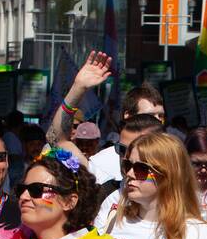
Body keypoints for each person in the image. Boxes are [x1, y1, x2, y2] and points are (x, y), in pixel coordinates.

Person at [92, 132, 207, 239]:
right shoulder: (114, 217)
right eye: (128, 165)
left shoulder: (201, 235)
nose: (129, 174)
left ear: (168, 175)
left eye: (141, 169)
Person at [45, 50, 165, 187]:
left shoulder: (176, 159)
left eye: (161, 116)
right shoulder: (103, 164)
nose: (157, 121)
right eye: (149, 116)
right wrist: (78, 88)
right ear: (128, 116)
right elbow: (56, 139)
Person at [89, 114, 166, 218]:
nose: (126, 157)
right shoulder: (106, 195)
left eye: (135, 149)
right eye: (122, 149)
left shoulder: (188, 210)